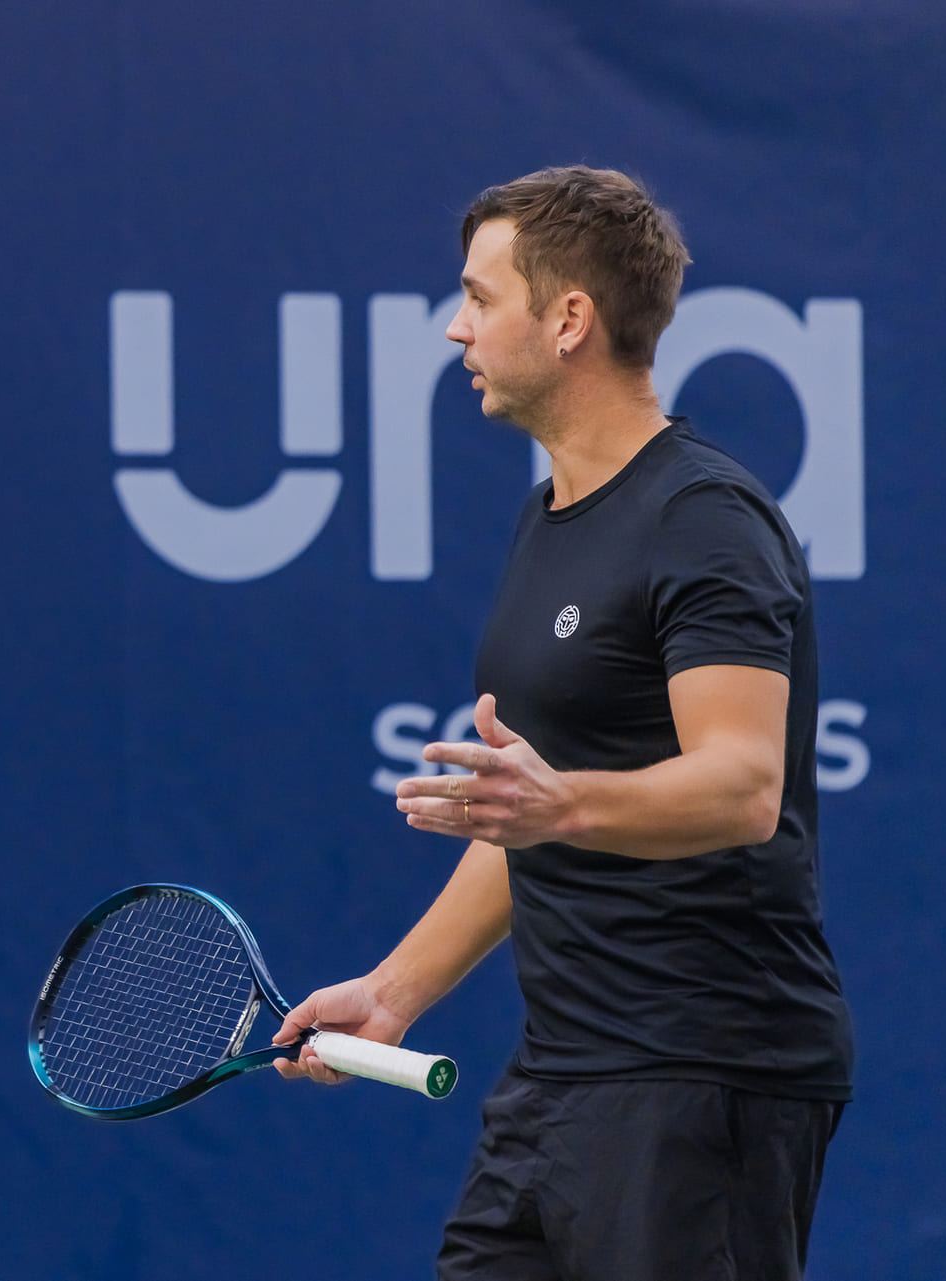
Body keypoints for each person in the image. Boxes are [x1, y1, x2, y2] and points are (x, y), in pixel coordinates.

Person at [275, 167, 853, 1279]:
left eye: (481, 298)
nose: (457, 328)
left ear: (570, 319)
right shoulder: (548, 518)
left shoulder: (704, 518)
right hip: (557, 1081)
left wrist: (558, 801)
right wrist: (391, 995)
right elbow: (535, 821)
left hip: (703, 1078)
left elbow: (742, 785)